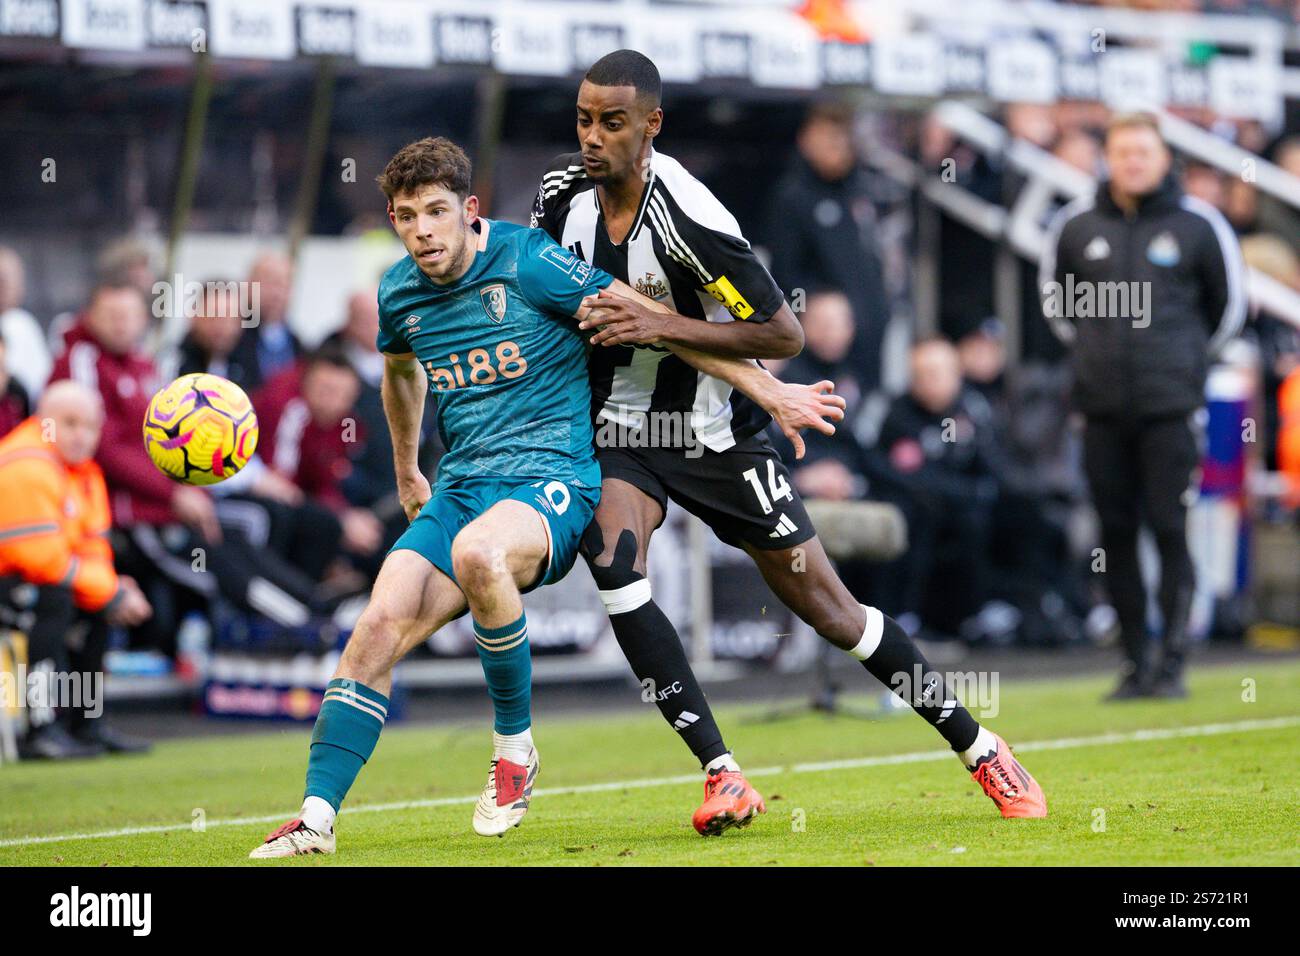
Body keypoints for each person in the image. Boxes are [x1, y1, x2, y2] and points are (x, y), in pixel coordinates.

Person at [250, 135, 847, 858]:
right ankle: (315, 818)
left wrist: (768, 388)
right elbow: (400, 373)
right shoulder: (399, 291)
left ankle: (514, 751)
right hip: (464, 484)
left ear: (469, 211)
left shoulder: (531, 262)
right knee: (376, 627)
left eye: (437, 212)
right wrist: (409, 472)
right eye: (407, 217)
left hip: (551, 480)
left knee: (479, 555)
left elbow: (646, 320)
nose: (423, 231)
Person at [534, 50, 1046, 835]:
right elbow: (557, 302)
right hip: (622, 434)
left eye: (611, 122)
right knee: (616, 565)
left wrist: (669, 326)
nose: (592, 137)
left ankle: (979, 746)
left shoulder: (691, 217)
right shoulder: (560, 198)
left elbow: (781, 329)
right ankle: (722, 774)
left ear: (651, 126)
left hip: (719, 437)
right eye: (583, 119)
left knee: (831, 609)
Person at [1040, 111, 1247, 699]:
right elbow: (1057, 306)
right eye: (1122, 151)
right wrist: (1097, 358)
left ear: (1163, 158)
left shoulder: (1199, 225)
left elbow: (1227, 310)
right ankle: (1135, 662)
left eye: (1143, 151)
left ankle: (1174, 661)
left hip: (1171, 407)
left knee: (1169, 526)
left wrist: (1178, 363)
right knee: (1116, 533)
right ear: (1108, 156)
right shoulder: (1075, 224)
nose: (1132, 161)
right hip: (1101, 408)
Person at [0, 381, 153, 758]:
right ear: (43, 421)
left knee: (94, 604)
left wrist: (112, 589)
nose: (81, 435)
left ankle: (86, 725)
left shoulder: (84, 473)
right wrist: (110, 589)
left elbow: (92, 551)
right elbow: (41, 559)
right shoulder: (26, 463)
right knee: (54, 599)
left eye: (90, 426)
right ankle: (41, 728)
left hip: (40, 581)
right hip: (17, 581)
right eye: (69, 423)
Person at [765, 102, 891, 390]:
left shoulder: (863, 193)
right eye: (827, 136)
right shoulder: (793, 197)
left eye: (842, 137)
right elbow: (784, 273)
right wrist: (812, 308)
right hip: (819, 348)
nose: (836, 146)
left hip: (871, 336)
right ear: (806, 139)